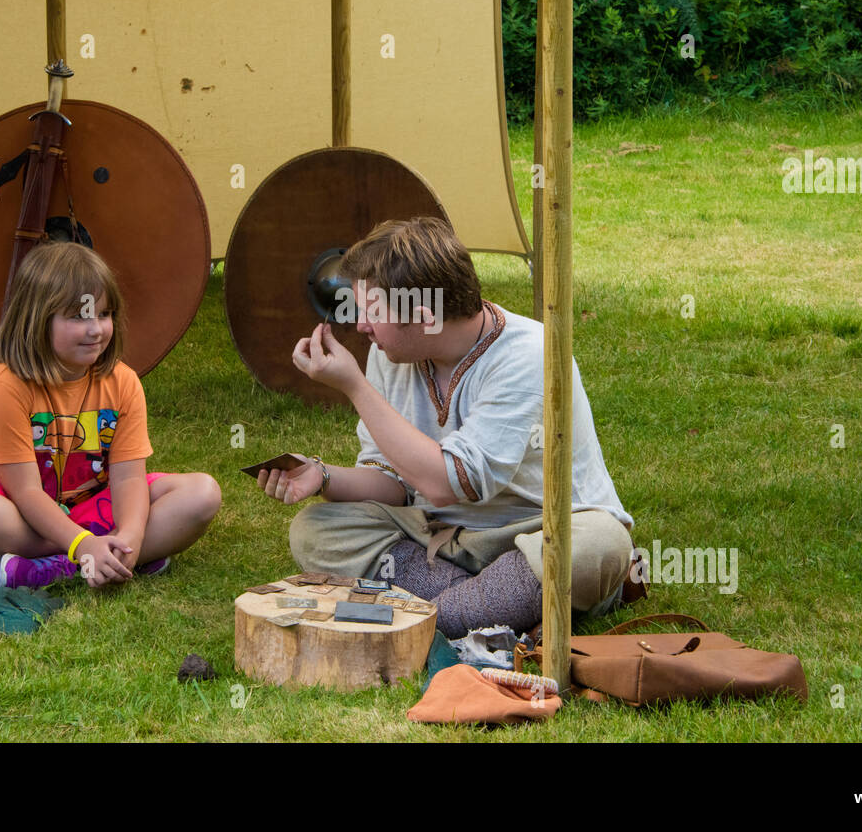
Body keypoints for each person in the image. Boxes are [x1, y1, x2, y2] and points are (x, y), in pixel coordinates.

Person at [258, 217, 639, 637]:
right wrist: (323, 476)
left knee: (600, 543)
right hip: (437, 539)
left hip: (535, 533)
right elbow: (393, 481)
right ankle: (494, 606)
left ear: (424, 318)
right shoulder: (389, 353)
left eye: (373, 312)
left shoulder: (531, 355)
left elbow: (451, 484)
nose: (360, 325)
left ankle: (430, 619)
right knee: (315, 531)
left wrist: (355, 387)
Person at [0, 241, 220, 589]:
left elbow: (128, 480)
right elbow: (26, 493)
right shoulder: (4, 385)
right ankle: (100, 556)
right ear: (36, 319)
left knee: (203, 493)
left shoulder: (123, 382)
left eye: (104, 314)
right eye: (79, 316)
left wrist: (130, 536)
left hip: (94, 507)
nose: (96, 329)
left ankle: (67, 565)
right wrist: (83, 544)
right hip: (21, 514)